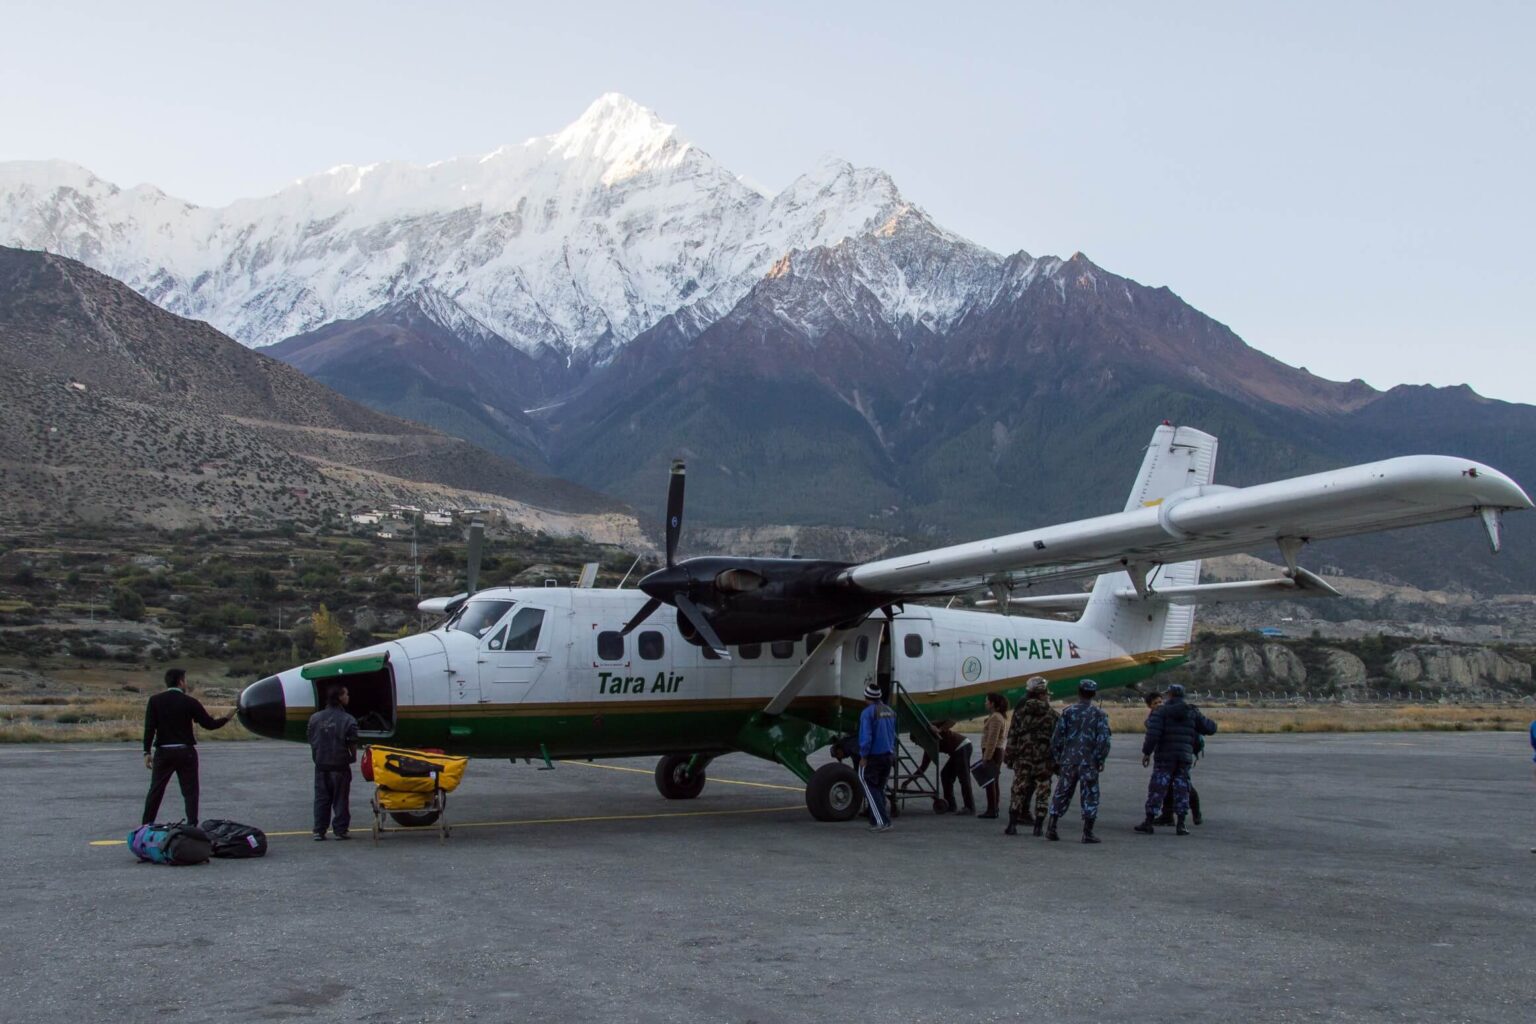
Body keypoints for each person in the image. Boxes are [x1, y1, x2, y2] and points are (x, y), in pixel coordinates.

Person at [141, 667, 233, 825]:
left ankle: (145, 825)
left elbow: (150, 728)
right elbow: (209, 724)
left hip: (163, 752)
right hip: (185, 752)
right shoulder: (190, 702)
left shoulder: (155, 700)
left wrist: (146, 751)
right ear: (181, 682)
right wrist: (227, 717)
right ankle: (192, 824)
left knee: (156, 790)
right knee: (190, 792)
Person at [1136, 683, 1217, 836]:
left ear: (1170, 695)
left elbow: (1153, 734)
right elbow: (1211, 728)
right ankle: (1181, 824)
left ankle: (1148, 822)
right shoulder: (1191, 711)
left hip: (1165, 756)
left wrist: (1147, 752)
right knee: (1182, 789)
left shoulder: (1161, 712)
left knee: (1157, 788)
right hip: (1184, 756)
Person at [1047, 679, 1111, 844]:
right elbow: (1103, 740)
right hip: (1089, 762)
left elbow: (1057, 737)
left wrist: (1058, 757)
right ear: (1093, 694)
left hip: (1069, 760)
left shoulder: (1068, 712)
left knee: (1062, 792)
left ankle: (1051, 827)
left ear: (1079, 692)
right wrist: (1100, 758)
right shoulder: (1099, 714)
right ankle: (1087, 832)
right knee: (1090, 795)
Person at [1004, 677, 1059, 836]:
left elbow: (1012, 736)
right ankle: (1038, 827)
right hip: (1044, 761)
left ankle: (1012, 825)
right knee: (1043, 792)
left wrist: (1009, 757)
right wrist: (1057, 763)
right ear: (1042, 695)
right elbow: (1057, 741)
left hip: (1023, 759)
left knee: (1018, 790)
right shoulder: (1053, 716)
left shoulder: (1020, 713)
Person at [308, 684, 360, 840]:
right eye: (346, 694)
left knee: (321, 799)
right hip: (340, 765)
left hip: (321, 764)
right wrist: (353, 756)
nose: (348, 697)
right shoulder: (348, 719)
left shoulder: (315, 718)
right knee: (340, 799)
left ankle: (319, 830)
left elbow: (311, 739)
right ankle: (340, 829)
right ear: (340, 697)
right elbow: (352, 741)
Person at [857, 681, 898, 832]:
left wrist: (863, 756)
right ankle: (875, 820)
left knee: (868, 785)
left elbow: (866, 737)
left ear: (867, 697)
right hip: (888, 755)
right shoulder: (890, 711)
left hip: (874, 756)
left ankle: (883, 821)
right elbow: (894, 735)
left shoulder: (868, 713)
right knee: (879, 788)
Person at [912, 719, 975, 815]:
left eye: (917, 742)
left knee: (963, 777)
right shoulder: (929, 747)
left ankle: (969, 807)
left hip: (962, 746)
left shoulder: (931, 727)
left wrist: (939, 729)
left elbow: (952, 721)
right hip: (955, 752)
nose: (918, 745)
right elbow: (923, 767)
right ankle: (951, 805)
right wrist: (909, 781)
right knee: (945, 775)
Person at [977, 693, 1009, 818]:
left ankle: (992, 809)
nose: (985, 703)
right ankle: (994, 808)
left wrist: (986, 757)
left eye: (987, 701)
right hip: (996, 751)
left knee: (990, 782)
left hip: (993, 752)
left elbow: (992, 739)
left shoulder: (995, 717)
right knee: (994, 781)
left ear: (992, 704)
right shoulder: (999, 716)